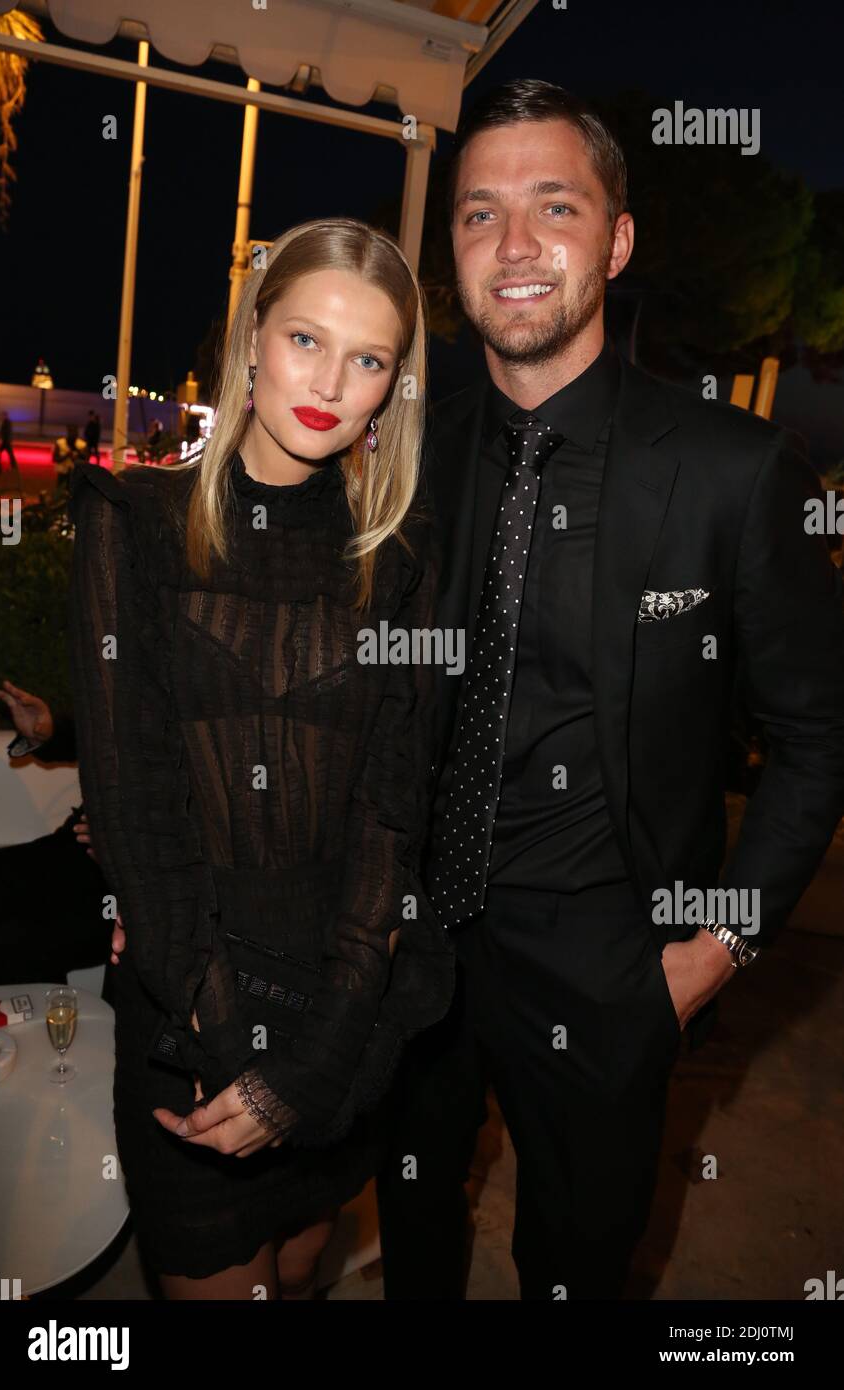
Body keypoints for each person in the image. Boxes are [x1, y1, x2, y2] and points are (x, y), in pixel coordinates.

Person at [375, 80, 844, 1300]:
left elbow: (816, 732)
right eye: (479, 215)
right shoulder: (405, 443)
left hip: (610, 962)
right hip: (407, 947)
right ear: (454, 250)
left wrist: (715, 947)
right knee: (415, 1233)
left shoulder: (733, 474)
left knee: (574, 1264)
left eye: (554, 207)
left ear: (617, 239)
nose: (515, 246)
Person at [67, 218, 455, 1300]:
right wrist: (236, 1047)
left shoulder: (399, 568)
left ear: (393, 385)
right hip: (190, 1008)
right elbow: (134, 804)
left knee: (300, 1268)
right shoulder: (130, 525)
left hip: (345, 1004)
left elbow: (390, 819)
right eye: (305, 341)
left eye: (368, 357)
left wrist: (323, 1059)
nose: (332, 381)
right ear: (250, 342)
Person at [0, 681, 108, 992]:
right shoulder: (140, 693)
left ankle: (35, 1033)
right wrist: (45, 731)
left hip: (132, 891)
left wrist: (125, 839)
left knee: (19, 940)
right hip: (73, 852)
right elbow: (97, 736)